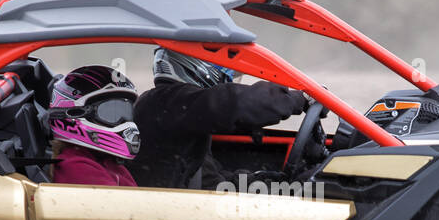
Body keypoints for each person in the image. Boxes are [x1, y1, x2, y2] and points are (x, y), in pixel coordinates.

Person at [130, 49, 309, 189]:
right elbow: (235, 103)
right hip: (168, 218)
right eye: (228, 77)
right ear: (200, 69)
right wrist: (297, 99)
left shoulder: (182, 112)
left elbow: (210, 180)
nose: (230, 81)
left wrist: (273, 183)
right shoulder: (166, 102)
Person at [47, 65, 140, 186]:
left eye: (126, 112)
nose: (125, 123)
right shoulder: (76, 167)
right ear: (75, 114)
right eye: (111, 113)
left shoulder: (110, 163)